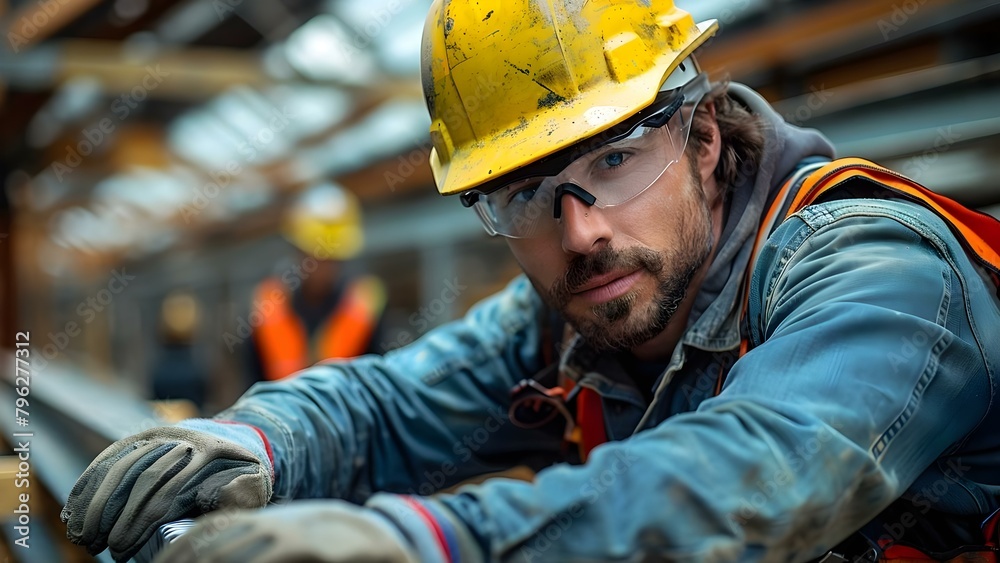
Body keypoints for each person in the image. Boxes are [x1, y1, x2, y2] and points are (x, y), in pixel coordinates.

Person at [61, 1, 1000, 562]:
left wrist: (430, 541)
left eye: (619, 162)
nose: (580, 231)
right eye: (526, 195)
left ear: (704, 140)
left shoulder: (874, 269)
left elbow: (747, 475)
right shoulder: (584, 312)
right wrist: (252, 442)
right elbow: (392, 405)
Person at [245, 182, 387, 383]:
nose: (323, 266)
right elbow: (251, 378)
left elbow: (376, 382)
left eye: (332, 258)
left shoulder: (364, 304)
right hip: (277, 411)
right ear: (297, 252)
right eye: (315, 255)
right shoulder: (268, 304)